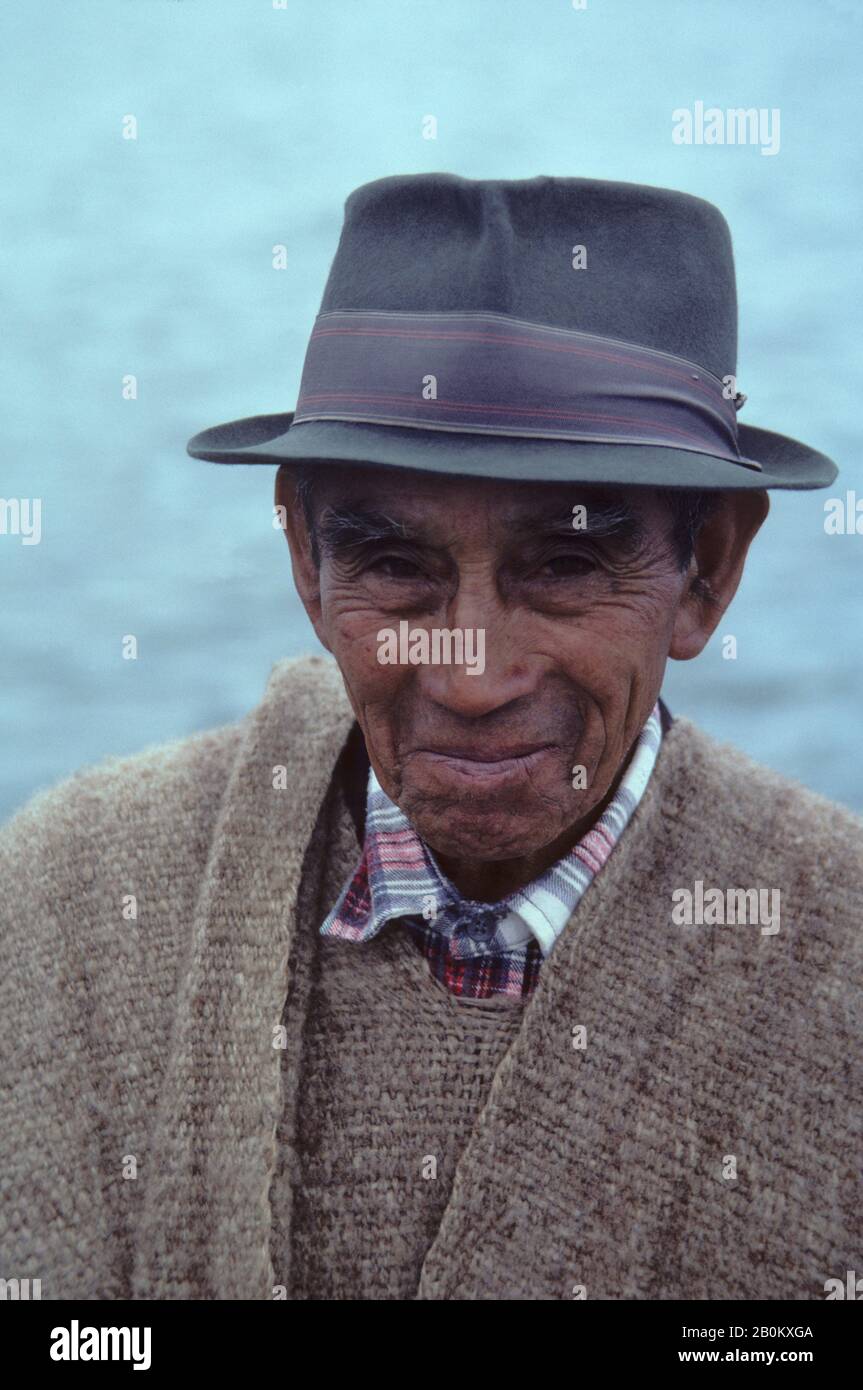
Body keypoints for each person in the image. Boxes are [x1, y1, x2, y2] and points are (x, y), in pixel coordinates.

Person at [1, 174, 860, 1301]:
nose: (470, 676)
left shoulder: (836, 959)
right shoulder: (61, 908)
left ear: (707, 572)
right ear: (305, 560)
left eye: (563, 567)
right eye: (394, 566)